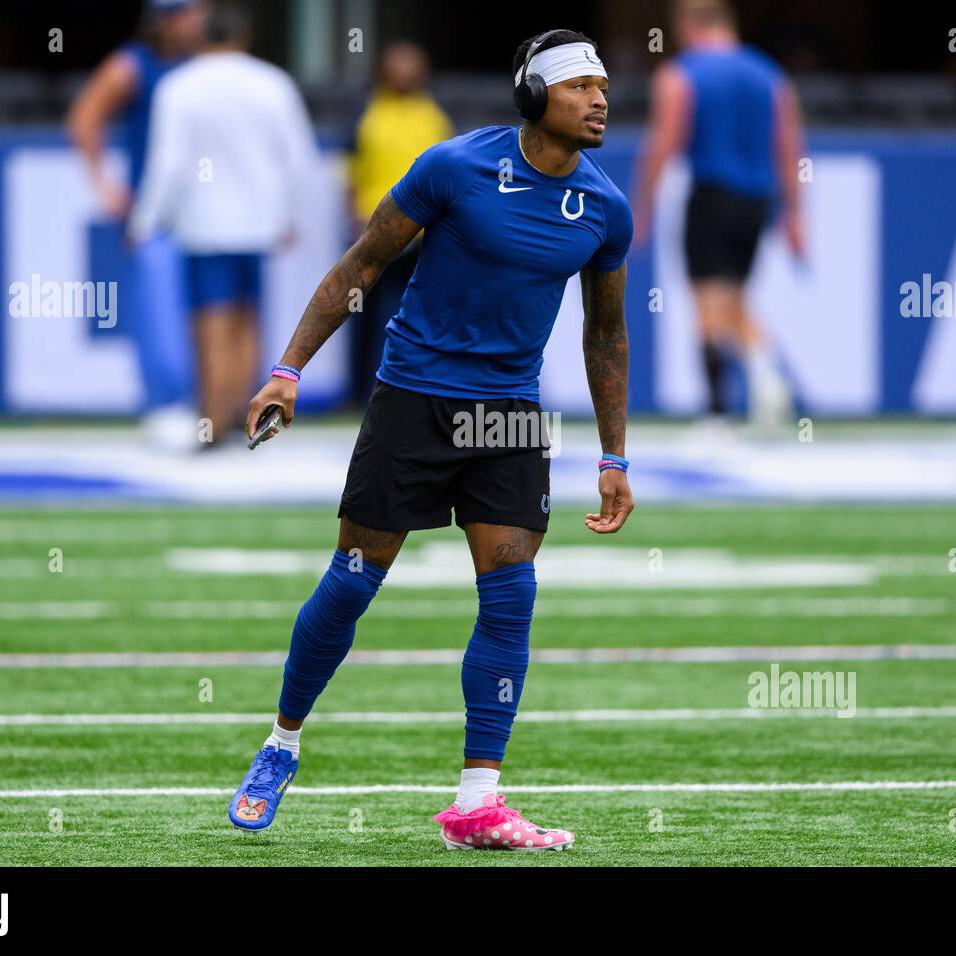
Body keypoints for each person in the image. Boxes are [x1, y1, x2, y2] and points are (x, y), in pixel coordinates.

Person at [229, 29, 634, 851]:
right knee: (350, 586)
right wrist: (288, 371)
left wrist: (614, 456)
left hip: (510, 415)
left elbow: (606, 337)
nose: (598, 100)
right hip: (413, 400)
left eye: (602, 86)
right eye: (578, 87)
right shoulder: (454, 166)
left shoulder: (605, 208)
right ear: (533, 97)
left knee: (512, 596)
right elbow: (360, 266)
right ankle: (281, 744)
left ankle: (478, 803)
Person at [128, 2, 317, 444]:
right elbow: (299, 158)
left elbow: (167, 163)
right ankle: (239, 415)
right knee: (246, 316)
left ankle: (212, 418)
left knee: (210, 318)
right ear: (243, 38)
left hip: (203, 222)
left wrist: (144, 220)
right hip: (257, 223)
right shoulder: (272, 83)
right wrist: (288, 213)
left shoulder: (179, 86)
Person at [633, 0, 805, 429]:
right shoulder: (770, 74)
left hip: (711, 193)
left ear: (690, 25)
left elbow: (664, 142)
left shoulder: (680, 74)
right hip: (756, 201)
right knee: (731, 296)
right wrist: (795, 211)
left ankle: (717, 413)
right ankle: (767, 375)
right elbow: (788, 145)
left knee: (708, 302)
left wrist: (643, 205)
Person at [66, 0, 205, 445]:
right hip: (157, 213)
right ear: (163, 21)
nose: (198, 21)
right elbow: (85, 117)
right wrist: (103, 184)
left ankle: (213, 404)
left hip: (206, 209)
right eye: (188, 13)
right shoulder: (133, 65)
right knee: (159, 308)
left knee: (214, 308)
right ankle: (166, 405)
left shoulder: (204, 65)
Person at [343, 41, 454, 407]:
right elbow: (352, 170)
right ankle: (360, 393)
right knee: (363, 313)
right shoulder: (367, 111)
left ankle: (420, 390)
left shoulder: (435, 115)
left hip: (422, 234)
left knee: (421, 315)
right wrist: (353, 215)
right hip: (374, 230)